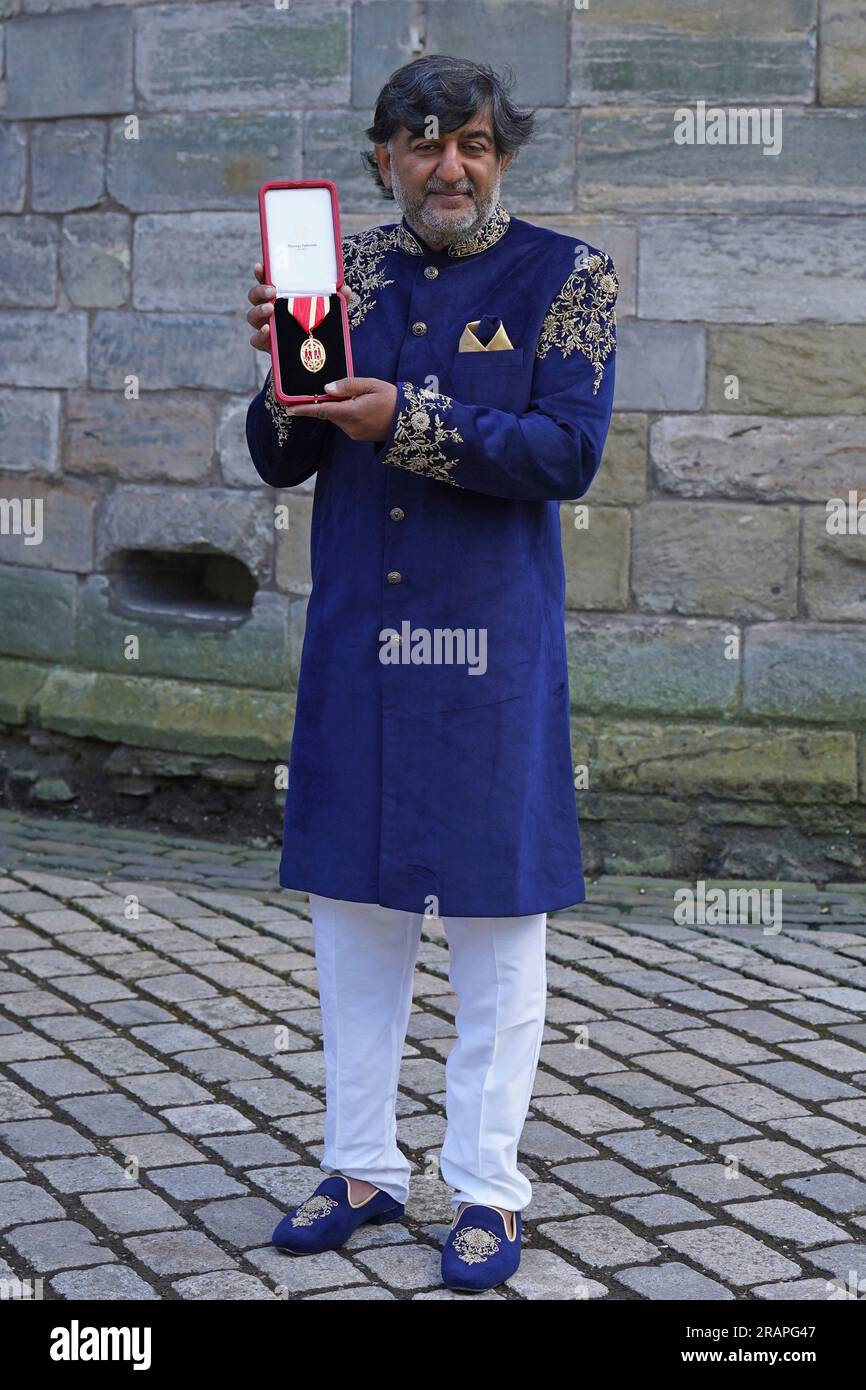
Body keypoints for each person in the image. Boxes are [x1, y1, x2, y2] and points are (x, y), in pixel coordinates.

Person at [245, 53, 618, 1293]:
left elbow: (563, 451)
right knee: (351, 915)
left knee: (495, 931)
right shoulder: (341, 272)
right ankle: (358, 1164)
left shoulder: (570, 277)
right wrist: (281, 377)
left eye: (467, 142)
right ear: (380, 159)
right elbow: (280, 461)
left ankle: (486, 1185)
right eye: (418, 144)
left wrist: (394, 415)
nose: (444, 166)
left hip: (489, 650)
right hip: (360, 638)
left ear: (501, 152)